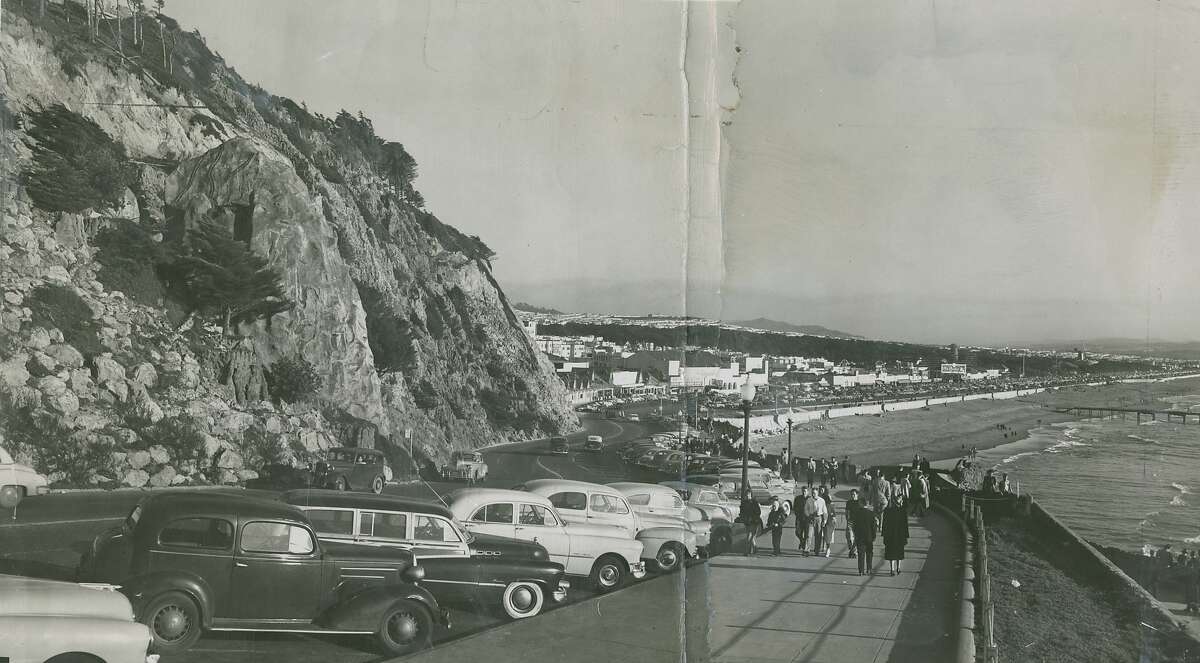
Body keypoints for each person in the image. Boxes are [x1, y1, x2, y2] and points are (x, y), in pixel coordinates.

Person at [882, 495, 909, 576]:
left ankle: (892, 569)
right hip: (900, 535)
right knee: (899, 552)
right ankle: (898, 568)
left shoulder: (887, 511)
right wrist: (906, 536)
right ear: (901, 502)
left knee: (891, 553)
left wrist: (884, 535)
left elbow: (884, 524)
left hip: (890, 535)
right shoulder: (903, 511)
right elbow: (905, 525)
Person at [850, 492, 876, 576]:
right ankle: (869, 569)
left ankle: (861, 570)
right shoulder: (871, 514)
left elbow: (854, 526)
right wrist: (873, 536)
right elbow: (874, 527)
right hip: (869, 537)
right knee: (869, 553)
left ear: (861, 504)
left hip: (860, 537)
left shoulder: (857, 513)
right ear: (867, 504)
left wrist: (856, 534)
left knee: (861, 554)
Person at [738, 492, 763, 557]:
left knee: (749, 536)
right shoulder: (744, 503)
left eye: (748, 495)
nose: (747, 496)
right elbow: (741, 512)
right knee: (751, 537)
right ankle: (755, 548)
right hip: (747, 522)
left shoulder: (754, 503)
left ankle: (746, 551)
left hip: (754, 521)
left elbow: (758, 512)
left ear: (751, 495)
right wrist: (743, 518)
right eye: (746, 495)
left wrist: (753, 517)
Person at [806, 486, 828, 556]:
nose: (813, 494)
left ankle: (817, 550)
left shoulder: (822, 500)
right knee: (809, 535)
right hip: (811, 518)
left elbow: (825, 511)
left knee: (818, 535)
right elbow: (805, 509)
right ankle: (807, 550)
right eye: (812, 493)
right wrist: (808, 515)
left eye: (815, 493)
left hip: (819, 518)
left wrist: (824, 521)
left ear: (818, 493)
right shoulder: (809, 500)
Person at [793, 486, 811, 553]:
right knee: (797, 532)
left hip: (807, 519)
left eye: (805, 491)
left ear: (808, 492)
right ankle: (802, 541)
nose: (804, 492)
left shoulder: (810, 499)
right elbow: (795, 508)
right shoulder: (798, 498)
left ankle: (804, 547)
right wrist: (797, 514)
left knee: (806, 534)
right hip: (799, 518)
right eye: (803, 491)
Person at [844, 488, 860, 558]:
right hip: (850, 521)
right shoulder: (849, 502)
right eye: (851, 494)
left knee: (856, 538)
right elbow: (847, 512)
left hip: (858, 522)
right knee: (849, 537)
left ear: (857, 495)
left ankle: (854, 552)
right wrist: (847, 519)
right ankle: (852, 550)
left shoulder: (860, 502)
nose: (852, 496)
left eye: (854, 494)